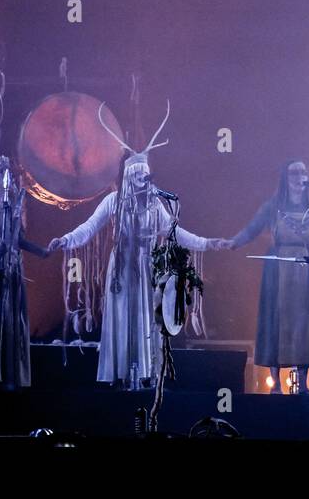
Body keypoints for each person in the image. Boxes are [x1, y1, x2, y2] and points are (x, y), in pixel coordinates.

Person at [49, 106, 232, 385]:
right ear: (127, 176)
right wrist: (65, 240)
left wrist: (209, 243)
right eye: (135, 176)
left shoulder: (155, 205)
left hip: (146, 267)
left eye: (143, 175)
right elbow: (89, 227)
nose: (139, 180)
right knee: (122, 319)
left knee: (144, 320)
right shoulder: (114, 201)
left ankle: (142, 376)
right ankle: (120, 374)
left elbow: (176, 233)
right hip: (122, 268)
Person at [229, 160, 309, 392]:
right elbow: (252, 228)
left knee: (306, 323)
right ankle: (276, 384)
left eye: (302, 172)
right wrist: (233, 242)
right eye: (293, 172)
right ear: (285, 177)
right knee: (276, 320)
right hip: (280, 271)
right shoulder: (273, 206)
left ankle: (303, 384)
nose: (299, 176)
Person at [0, 155, 51, 391]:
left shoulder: (15, 203)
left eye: (8, 172)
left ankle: (12, 377)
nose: (6, 176)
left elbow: (17, 240)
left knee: (14, 324)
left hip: (15, 271)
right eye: (1, 172)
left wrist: (42, 251)